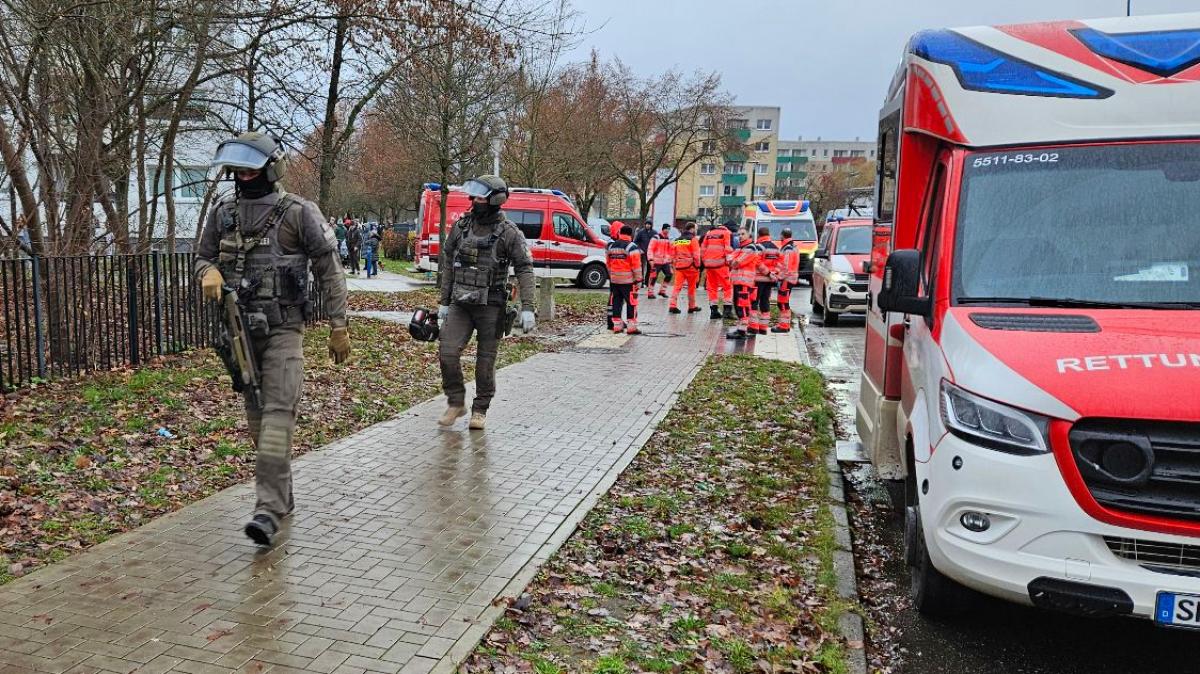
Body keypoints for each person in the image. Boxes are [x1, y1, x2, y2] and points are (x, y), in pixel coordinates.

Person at [195, 131, 350, 546]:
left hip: (284, 331)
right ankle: (282, 496)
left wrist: (339, 325)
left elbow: (330, 269)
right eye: (237, 170)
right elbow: (203, 255)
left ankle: (266, 511)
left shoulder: (299, 213)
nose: (243, 177)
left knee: (278, 417)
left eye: (251, 168)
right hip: (240, 332)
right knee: (259, 424)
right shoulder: (223, 211)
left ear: (271, 167)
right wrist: (207, 272)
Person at [437, 175, 536, 431]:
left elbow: (525, 268)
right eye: (475, 195)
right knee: (447, 352)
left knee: (485, 361)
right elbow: (448, 261)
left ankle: (480, 409)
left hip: (491, 305)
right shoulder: (461, 227)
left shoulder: (509, 233)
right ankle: (456, 402)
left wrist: (528, 308)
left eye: (481, 196)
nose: (475, 201)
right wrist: (444, 301)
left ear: (496, 200)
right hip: (460, 302)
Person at [606, 224, 643, 334]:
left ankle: (617, 326)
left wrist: (612, 275)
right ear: (630, 234)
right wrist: (638, 280)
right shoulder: (632, 247)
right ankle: (631, 327)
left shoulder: (611, 247)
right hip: (628, 281)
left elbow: (608, 264)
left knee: (616, 302)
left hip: (614, 281)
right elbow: (636, 266)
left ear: (620, 233)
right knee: (631, 303)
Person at [726, 233, 761, 340]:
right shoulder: (741, 248)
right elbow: (728, 259)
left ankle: (742, 331)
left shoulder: (750, 248)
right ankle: (740, 330)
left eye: (743, 234)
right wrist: (733, 260)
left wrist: (733, 260)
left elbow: (737, 262)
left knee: (742, 307)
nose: (740, 236)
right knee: (738, 306)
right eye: (739, 234)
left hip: (744, 282)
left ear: (750, 237)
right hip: (738, 281)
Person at [750, 226, 782, 335]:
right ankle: (763, 327)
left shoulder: (759, 247)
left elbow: (757, 262)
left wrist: (767, 272)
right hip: (769, 280)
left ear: (759, 235)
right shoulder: (775, 248)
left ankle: (753, 327)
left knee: (754, 302)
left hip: (758, 279)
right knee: (765, 302)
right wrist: (774, 274)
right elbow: (780, 264)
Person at [700, 221, 734, 320]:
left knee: (712, 287)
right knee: (727, 287)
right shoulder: (727, 233)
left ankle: (714, 311)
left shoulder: (709, 233)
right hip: (721, 264)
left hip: (709, 264)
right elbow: (727, 249)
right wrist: (730, 263)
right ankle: (727, 311)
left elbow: (702, 249)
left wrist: (704, 261)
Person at [668, 227, 701, 314]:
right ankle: (691, 306)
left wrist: (673, 264)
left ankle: (672, 305)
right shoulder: (693, 239)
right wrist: (698, 266)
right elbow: (696, 255)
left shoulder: (677, 240)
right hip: (691, 267)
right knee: (691, 288)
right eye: (695, 229)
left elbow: (672, 254)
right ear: (692, 229)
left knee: (677, 287)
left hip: (679, 267)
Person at [774, 228, 799, 333]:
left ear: (782, 235)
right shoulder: (792, 246)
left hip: (786, 279)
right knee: (783, 302)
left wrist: (779, 276)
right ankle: (784, 323)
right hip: (789, 277)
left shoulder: (787, 248)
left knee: (783, 303)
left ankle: (784, 326)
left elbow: (786, 266)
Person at [646, 224, 674, 298]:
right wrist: (651, 259)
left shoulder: (668, 238)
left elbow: (670, 250)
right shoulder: (656, 237)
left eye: (669, 229)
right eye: (666, 229)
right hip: (656, 261)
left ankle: (662, 291)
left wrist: (671, 259)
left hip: (665, 261)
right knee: (653, 277)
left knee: (669, 274)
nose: (667, 231)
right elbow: (650, 249)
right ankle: (650, 293)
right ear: (663, 229)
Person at [633, 220, 656, 292]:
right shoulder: (641, 232)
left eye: (649, 224)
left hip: (651, 253)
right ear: (645, 225)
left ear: (651, 225)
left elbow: (657, 242)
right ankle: (642, 282)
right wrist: (639, 249)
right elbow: (635, 241)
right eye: (647, 224)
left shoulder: (654, 233)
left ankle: (647, 282)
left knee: (650, 268)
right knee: (642, 267)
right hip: (642, 252)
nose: (648, 226)